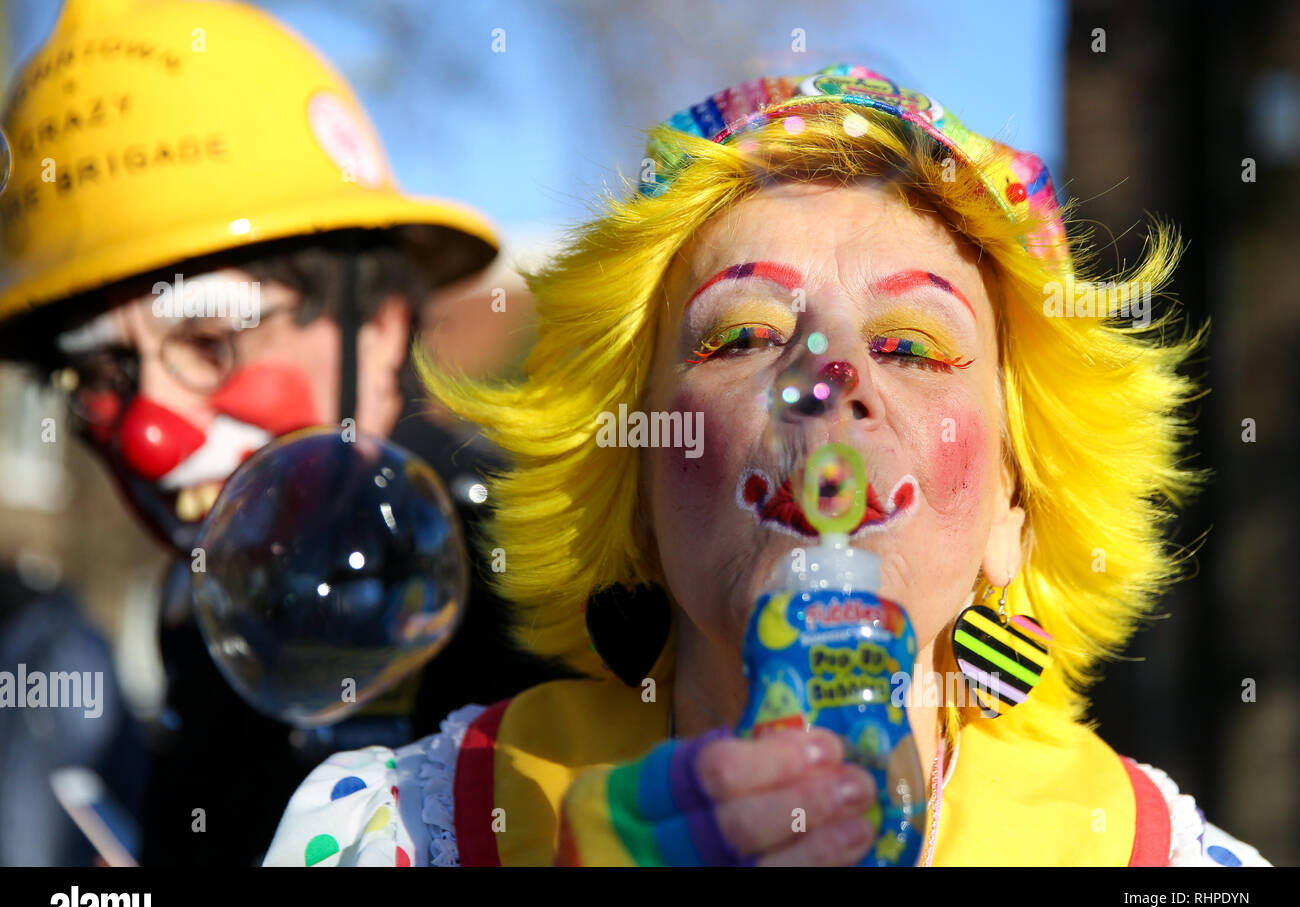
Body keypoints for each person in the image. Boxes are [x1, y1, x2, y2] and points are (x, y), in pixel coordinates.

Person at [263, 64, 1270, 866]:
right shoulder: (397, 826)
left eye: (914, 345)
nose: (827, 377)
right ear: (636, 480)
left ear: (1017, 503)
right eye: (742, 334)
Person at [0, 0, 565, 865]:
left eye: (209, 341)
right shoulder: (208, 619)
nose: (150, 434)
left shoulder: (545, 592)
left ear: (376, 328)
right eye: (105, 377)